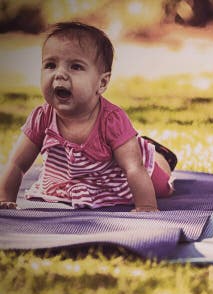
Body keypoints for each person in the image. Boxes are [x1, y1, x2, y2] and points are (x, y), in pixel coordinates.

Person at [0, 22, 177, 212]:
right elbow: (17, 163)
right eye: (50, 65)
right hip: (75, 178)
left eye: (75, 67)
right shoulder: (41, 117)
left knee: (161, 186)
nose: (59, 74)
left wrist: (146, 206)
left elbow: (134, 168)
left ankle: (159, 154)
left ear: (101, 83)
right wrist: (4, 200)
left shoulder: (112, 120)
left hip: (118, 175)